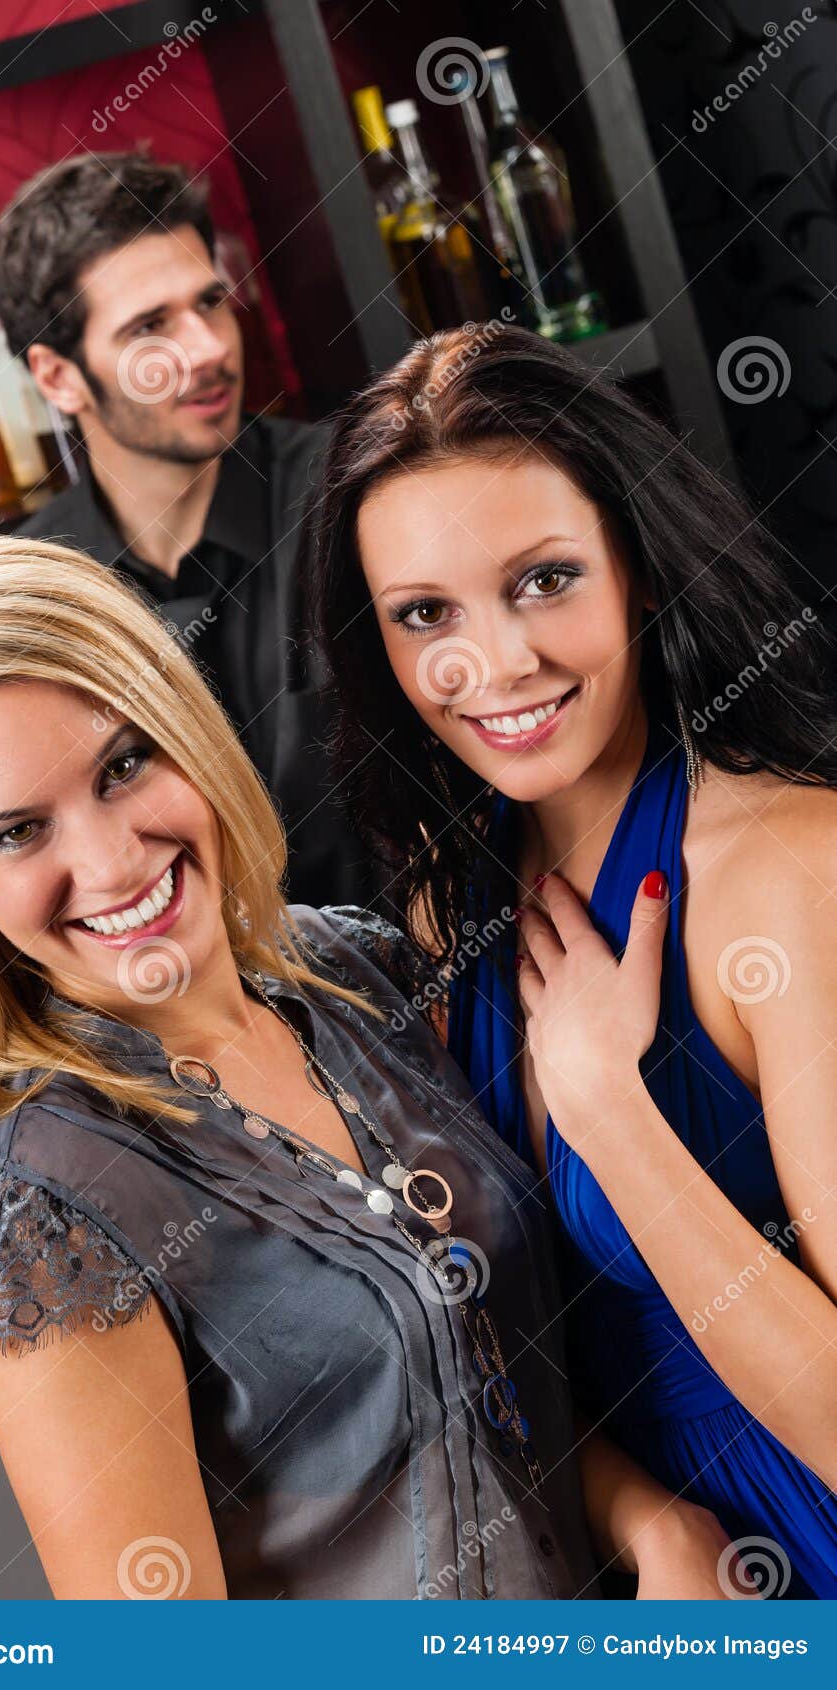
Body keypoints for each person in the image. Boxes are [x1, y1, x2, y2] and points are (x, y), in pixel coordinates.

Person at [0, 535, 741, 1602]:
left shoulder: (358, 972)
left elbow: (475, 1369)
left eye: (123, 766)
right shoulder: (47, 1211)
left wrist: (646, 1519)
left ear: (186, 729)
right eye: (18, 832)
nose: (112, 860)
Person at [307, 324, 837, 1599]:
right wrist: (642, 1520)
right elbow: (494, 1344)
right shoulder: (447, 904)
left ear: (637, 568)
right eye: (423, 613)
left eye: (544, 580)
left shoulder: (785, 874)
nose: (494, 664)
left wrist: (607, 1109)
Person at [0, 150, 367, 907]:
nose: (209, 348)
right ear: (59, 377)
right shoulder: (29, 596)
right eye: (150, 327)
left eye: (210, 302)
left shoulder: (354, 488)